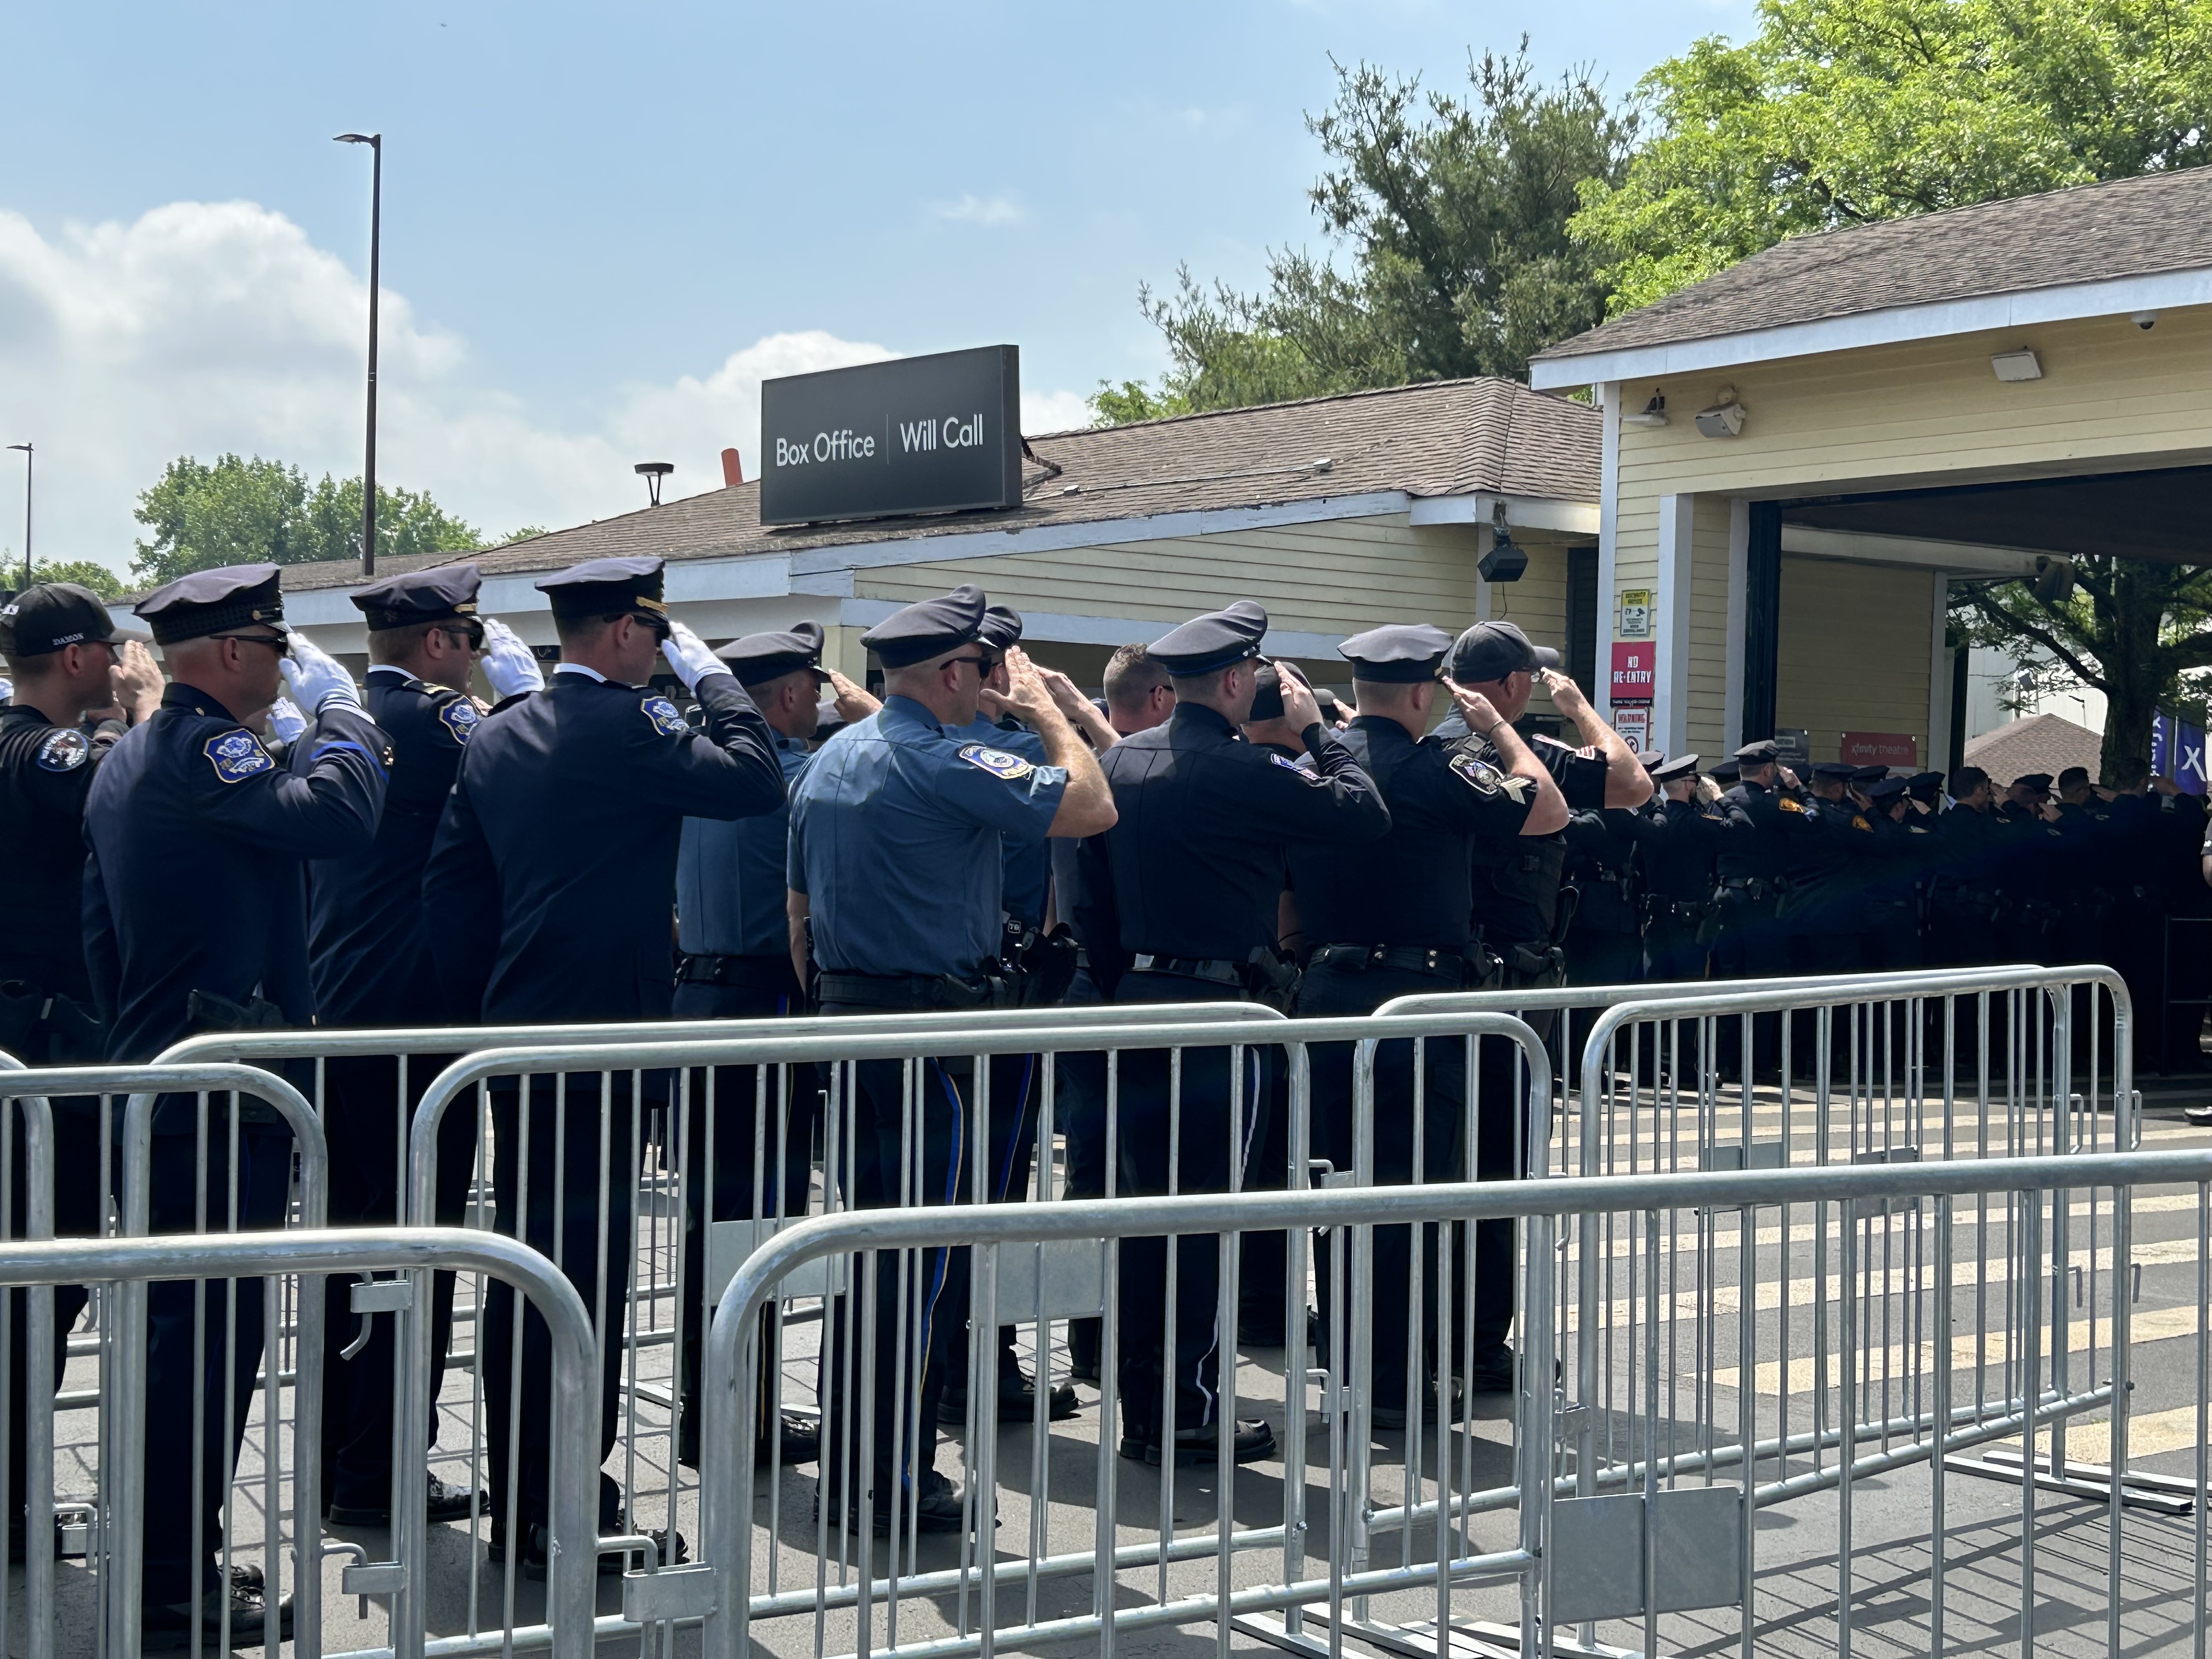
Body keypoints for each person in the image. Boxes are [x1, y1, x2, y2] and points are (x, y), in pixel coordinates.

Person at [423, 554, 786, 1575]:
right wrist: (712, 679)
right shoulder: (632, 724)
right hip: (606, 1042)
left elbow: (452, 896)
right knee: (587, 1276)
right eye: (658, 631)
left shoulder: (497, 735)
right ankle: (563, 1509)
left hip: (518, 1036)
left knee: (526, 1270)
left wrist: (488, 1013)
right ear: (631, 629)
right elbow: (754, 777)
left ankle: (530, 1497)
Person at [84, 563, 391, 1644]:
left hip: (178, 1082)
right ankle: (171, 1586)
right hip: (216, 1100)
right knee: (207, 1352)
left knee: (189, 1344)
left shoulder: (134, 759)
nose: (280, 663)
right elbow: (340, 821)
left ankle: (173, 1559)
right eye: (270, 646)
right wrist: (348, 715)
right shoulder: (202, 750)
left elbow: (100, 938)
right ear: (222, 656)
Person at [786, 584, 1114, 1532]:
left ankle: (862, 1463)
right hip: (931, 1034)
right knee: (921, 1268)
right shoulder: (939, 756)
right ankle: (887, 1480)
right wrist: (1049, 710)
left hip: (850, 1025)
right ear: (953, 672)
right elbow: (1090, 806)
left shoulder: (828, 759)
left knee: (864, 1255)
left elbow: (799, 921)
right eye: (978, 671)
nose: (986, 686)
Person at [1077, 599, 1390, 1464]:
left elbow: (1089, 895)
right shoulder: (1247, 766)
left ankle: (1148, 1407)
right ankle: (1191, 1407)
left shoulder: (1119, 759)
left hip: (1135, 1002)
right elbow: (1363, 816)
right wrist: (1319, 731)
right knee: (1211, 1219)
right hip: (1220, 1014)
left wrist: (1120, 983)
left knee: (1147, 1217)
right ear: (1233, 679)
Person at [307, 565, 544, 1531]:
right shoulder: (444, 723)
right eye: (473, 642)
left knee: (352, 1249)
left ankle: (344, 1459)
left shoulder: (347, 720)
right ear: (442, 644)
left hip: (346, 1012)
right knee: (415, 1252)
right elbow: (532, 763)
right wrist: (521, 698)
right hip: (412, 1024)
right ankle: (378, 1471)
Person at [1286, 623, 1560, 1426]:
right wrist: (1499, 728)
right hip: (1415, 1001)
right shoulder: (1438, 765)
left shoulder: (1314, 769)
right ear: (1420, 694)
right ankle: (1399, 1385)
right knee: (1408, 1192)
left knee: (1335, 1190)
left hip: (1328, 993)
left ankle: (1352, 1368)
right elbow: (1545, 811)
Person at [670, 621, 870, 1471]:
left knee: (711, 1223)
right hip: (763, 1005)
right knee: (757, 1227)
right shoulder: (794, 774)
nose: (822, 705)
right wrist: (869, 716)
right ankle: (736, 1415)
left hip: (698, 998)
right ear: (789, 696)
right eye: (815, 692)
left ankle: (710, 1404)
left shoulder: (692, 774)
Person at [1437, 619, 1647, 1386]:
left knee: (1431, 1167)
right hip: (1511, 993)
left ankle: (1422, 1339)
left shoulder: (1431, 755)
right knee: (1499, 1171)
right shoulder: (1532, 757)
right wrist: (1584, 708)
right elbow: (1631, 782)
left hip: (1435, 984)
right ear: (1518, 684)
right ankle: (1479, 1346)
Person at [0, 583, 161, 1558]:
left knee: (42, 1281)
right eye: (112, 648)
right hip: (41, 1053)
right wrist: (145, 707)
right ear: (74, 658)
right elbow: (105, 778)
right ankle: (13, 1499)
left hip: (45, 1047)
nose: (124, 658)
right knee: (41, 1277)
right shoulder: (29, 748)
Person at [924, 603, 1082, 1427]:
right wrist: (1047, 712)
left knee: (953, 1192)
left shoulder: (935, 750)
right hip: (1003, 996)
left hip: (947, 995)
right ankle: (982, 1362)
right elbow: (1093, 788)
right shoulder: (1017, 752)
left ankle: (957, 1359)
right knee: (993, 1190)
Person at [1051, 643, 1170, 1383]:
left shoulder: (1085, 755)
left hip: (1082, 992)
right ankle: (1112, 1344)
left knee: (1091, 1178)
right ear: (1159, 700)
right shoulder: (1117, 769)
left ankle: (1092, 1343)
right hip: (1118, 991)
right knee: (1128, 1183)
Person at [1626, 753, 1726, 984]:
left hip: (1655, 919)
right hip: (1689, 921)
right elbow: (1740, 828)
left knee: (1654, 988)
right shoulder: (1699, 822)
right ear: (1688, 785)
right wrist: (1718, 798)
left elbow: (1636, 868)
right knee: (1687, 991)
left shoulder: (1651, 821)